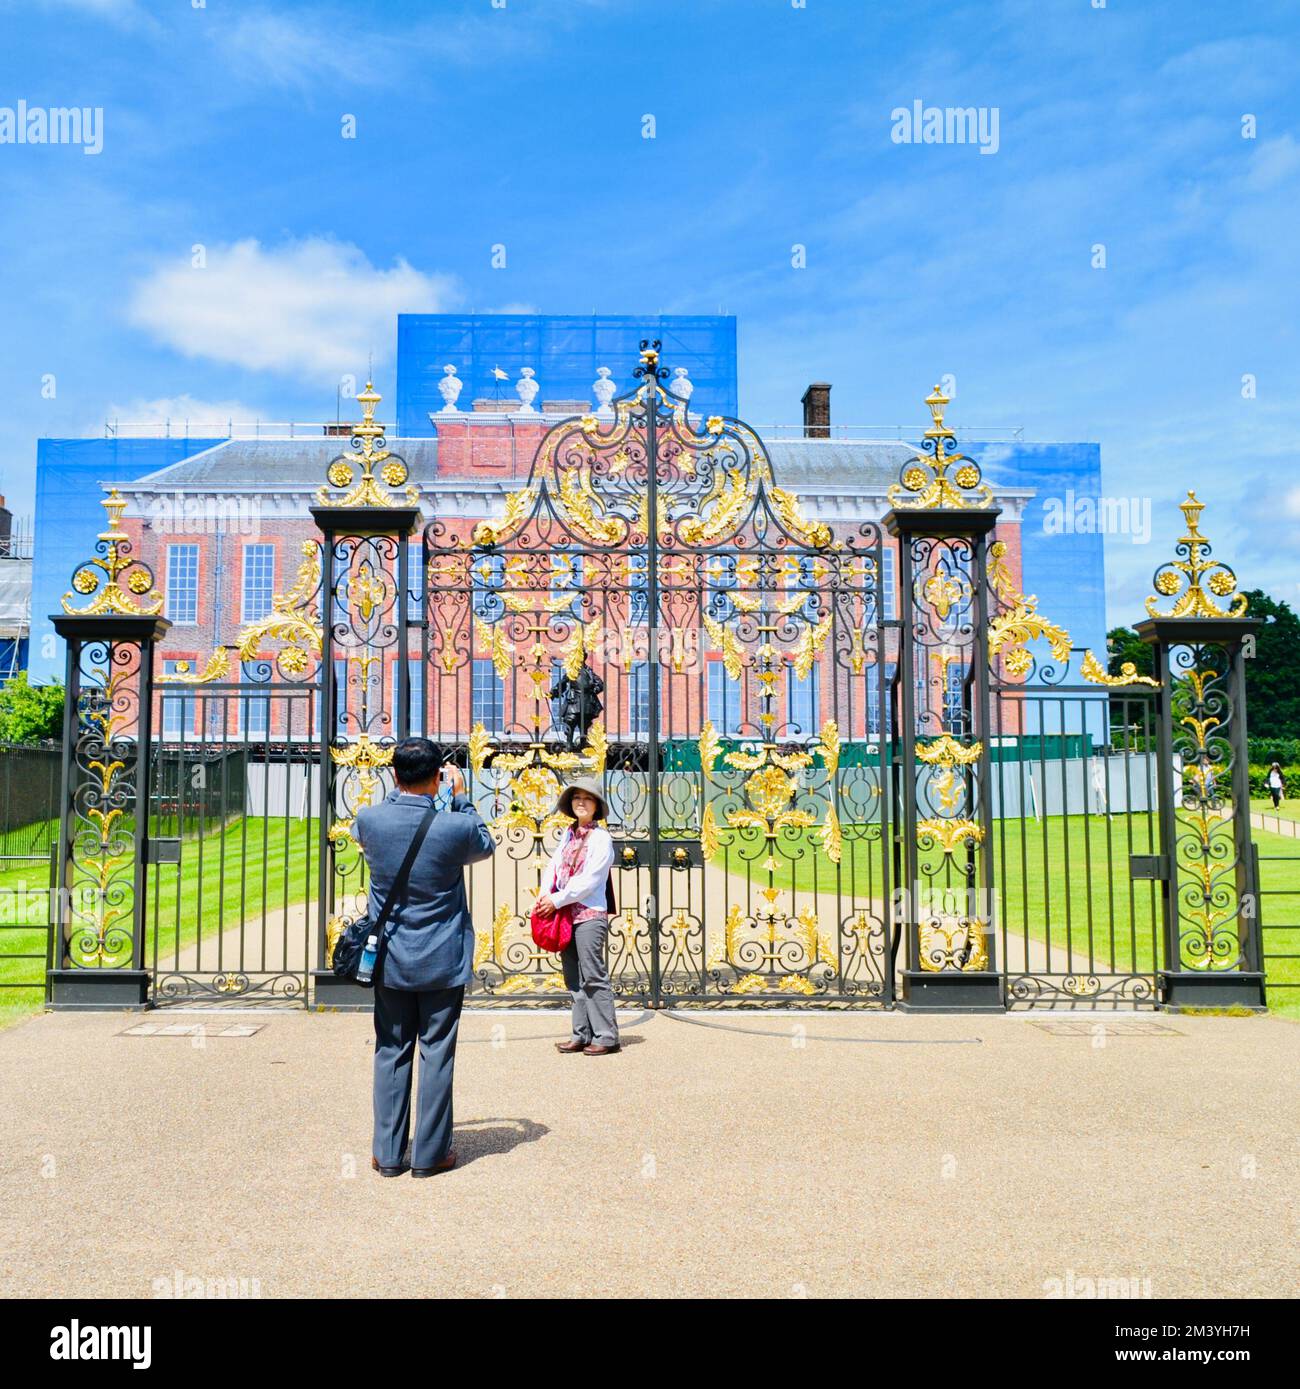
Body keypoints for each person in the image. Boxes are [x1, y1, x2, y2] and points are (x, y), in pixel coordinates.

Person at [353, 737, 494, 1177]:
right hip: (441, 955)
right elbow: (485, 843)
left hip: (391, 956)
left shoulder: (369, 820)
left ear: (394, 775)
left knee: (391, 1049)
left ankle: (390, 1154)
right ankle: (431, 1155)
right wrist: (461, 797)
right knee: (437, 1052)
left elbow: (375, 832)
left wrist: (417, 793)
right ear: (438, 777)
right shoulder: (455, 826)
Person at [535, 775, 619, 1055]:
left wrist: (556, 900)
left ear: (597, 805)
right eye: (576, 798)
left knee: (593, 976)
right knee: (573, 978)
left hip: (589, 915)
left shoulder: (601, 837)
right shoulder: (568, 834)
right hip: (565, 915)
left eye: (587, 798)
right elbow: (553, 867)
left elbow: (591, 880)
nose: (581, 802)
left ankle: (606, 1036)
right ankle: (581, 1034)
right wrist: (544, 895)